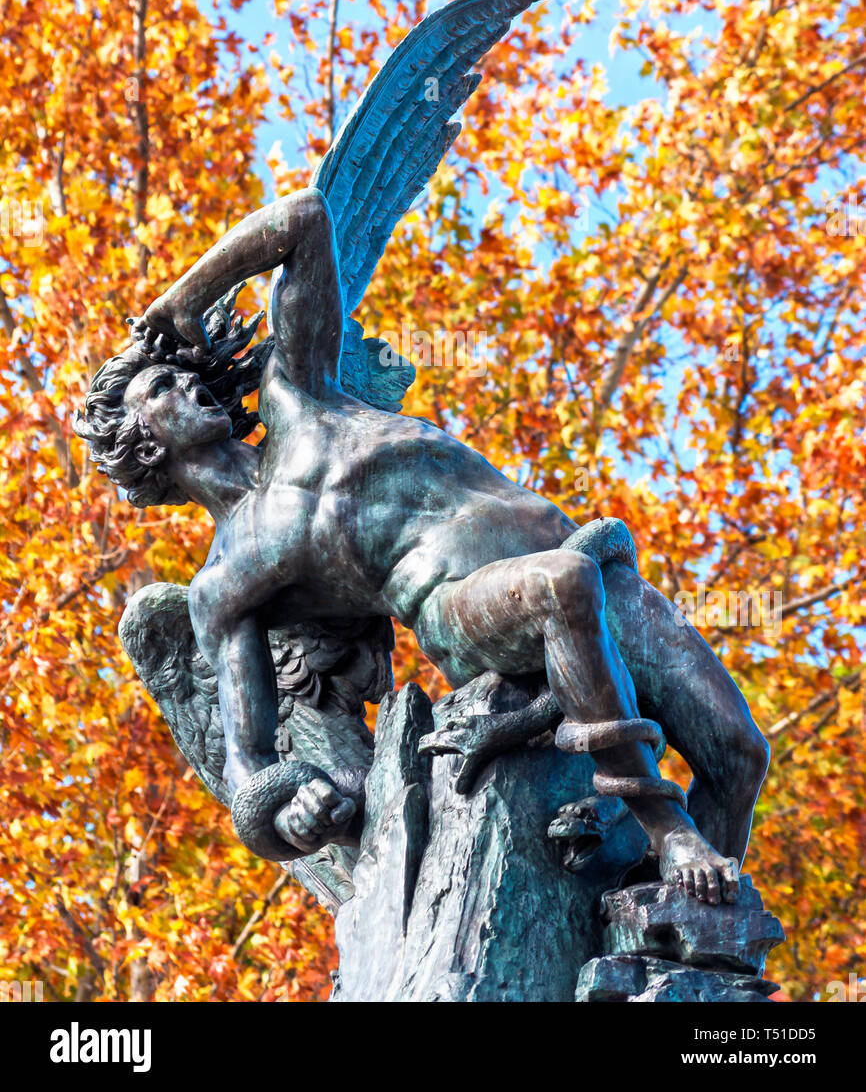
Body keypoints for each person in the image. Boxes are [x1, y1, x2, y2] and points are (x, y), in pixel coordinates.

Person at [77, 186, 769, 904]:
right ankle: (668, 827)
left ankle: (676, 925)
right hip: (468, 606)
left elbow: (307, 217)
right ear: (143, 445)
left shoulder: (298, 397)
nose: (190, 386)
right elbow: (248, 770)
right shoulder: (226, 582)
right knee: (558, 585)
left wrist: (189, 294)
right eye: (163, 388)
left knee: (741, 754)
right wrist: (294, 810)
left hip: (592, 565)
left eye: (184, 374)